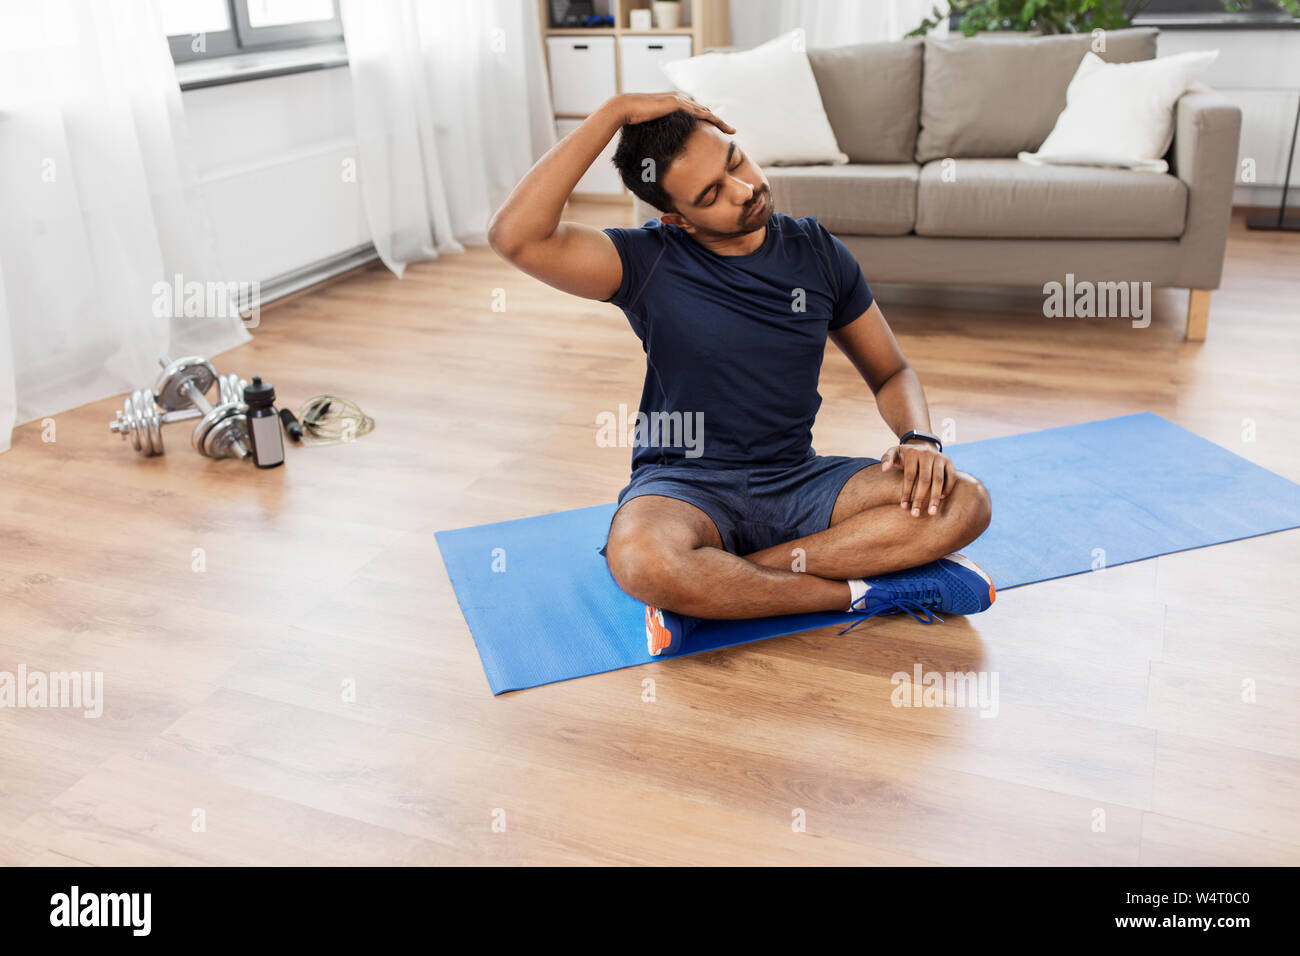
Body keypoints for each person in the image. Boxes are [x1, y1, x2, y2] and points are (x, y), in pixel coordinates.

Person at [488, 93, 994, 657]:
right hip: (684, 486)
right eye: (711, 195)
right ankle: (853, 592)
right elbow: (515, 237)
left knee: (963, 501)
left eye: (735, 161)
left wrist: (918, 437)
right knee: (640, 558)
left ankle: (710, 589)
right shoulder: (643, 261)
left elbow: (891, 371)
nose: (745, 189)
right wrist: (612, 113)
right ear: (675, 218)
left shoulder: (817, 252)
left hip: (797, 481)